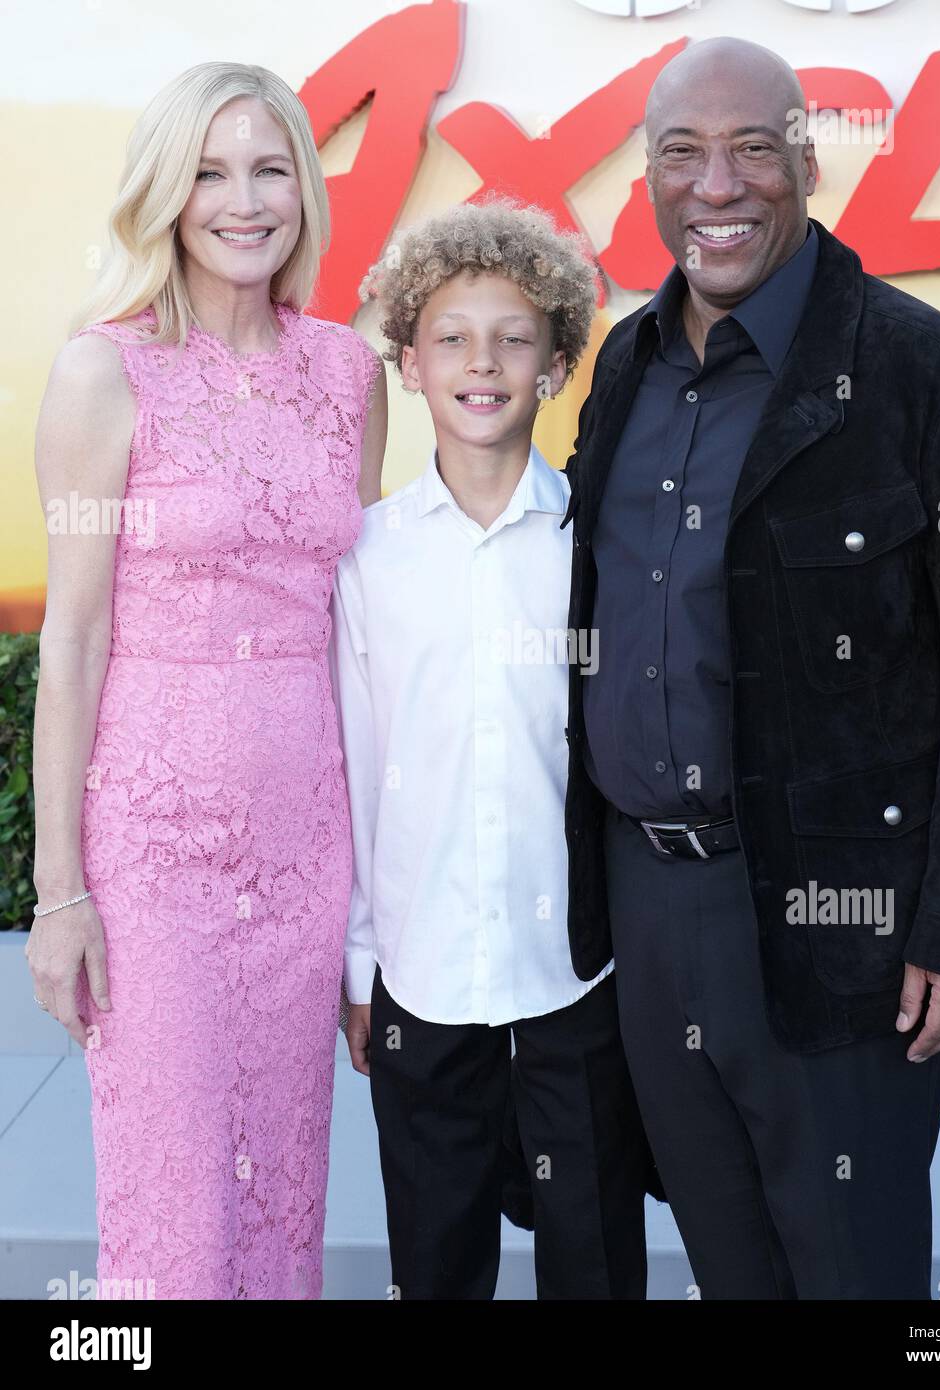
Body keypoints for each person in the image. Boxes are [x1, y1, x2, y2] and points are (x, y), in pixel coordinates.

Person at [560, 37, 940, 1299]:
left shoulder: (932, 376)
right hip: (644, 911)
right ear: (648, 179)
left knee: (850, 1272)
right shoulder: (621, 367)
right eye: (680, 151)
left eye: (749, 149)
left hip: (841, 922)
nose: (714, 184)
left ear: (804, 161)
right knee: (729, 1270)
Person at [27, 61, 386, 1299]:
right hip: (156, 850)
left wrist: (369, 913)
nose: (245, 200)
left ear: (305, 188)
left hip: (306, 842)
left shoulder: (348, 372)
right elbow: (69, 640)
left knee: (284, 1188)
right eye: (211, 172)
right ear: (168, 195)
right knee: (175, 1208)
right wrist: (58, 891)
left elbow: (360, 633)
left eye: (271, 167)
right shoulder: (102, 372)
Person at [329, 197, 649, 1299]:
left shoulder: (596, 543)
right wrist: (365, 962)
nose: (482, 362)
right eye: (450, 337)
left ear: (557, 363)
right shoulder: (364, 558)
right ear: (407, 362)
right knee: (434, 1256)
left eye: (514, 337)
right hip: (419, 978)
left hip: (575, 974)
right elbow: (359, 769)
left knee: (594, 1253)